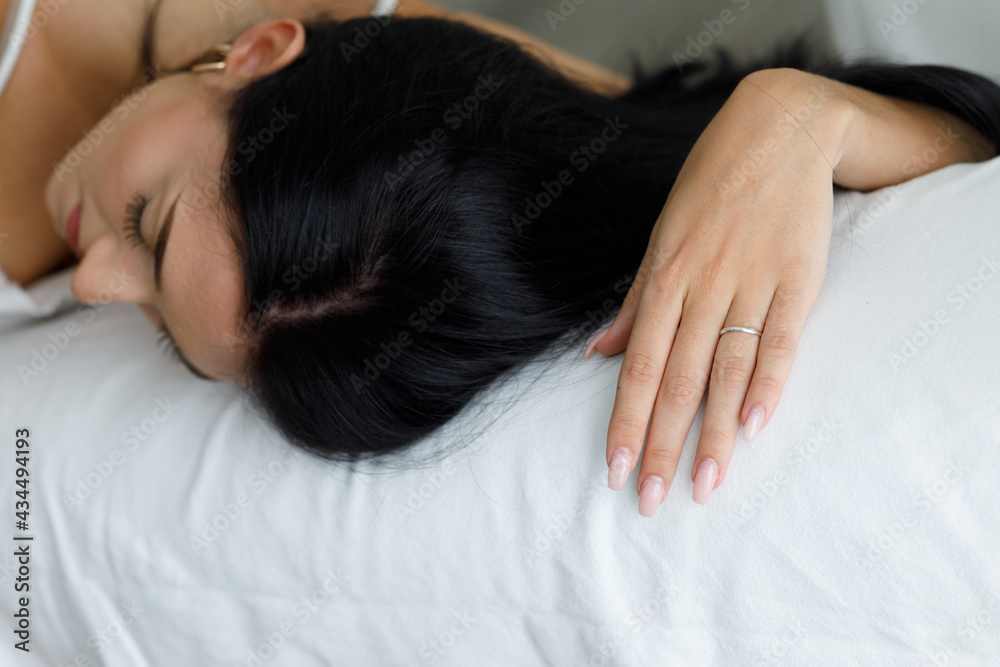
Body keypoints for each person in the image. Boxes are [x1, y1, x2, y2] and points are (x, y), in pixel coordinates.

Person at [2, 3, 996, 518]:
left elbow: (640, 154)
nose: (95, 283)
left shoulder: (449, 148)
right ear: (261, 50)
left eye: (166, 334)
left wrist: (807, 119)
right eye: (153, 220)